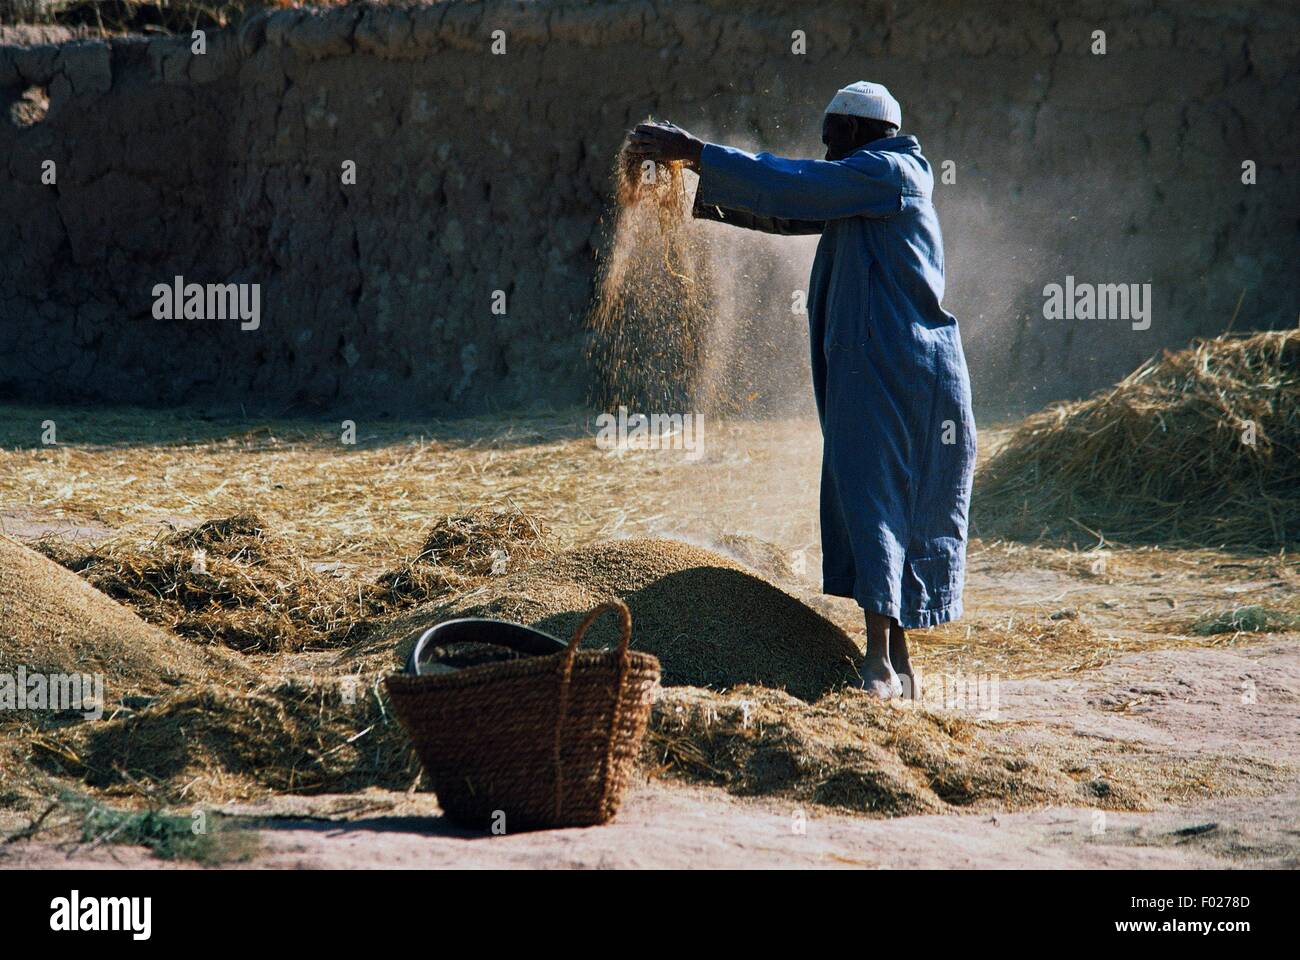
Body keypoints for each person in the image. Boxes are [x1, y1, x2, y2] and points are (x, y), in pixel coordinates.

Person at [626, 81, 976, 700]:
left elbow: (798, 186)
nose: (825, 151)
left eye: (833, 138)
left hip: (897, 372)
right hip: (889, 370)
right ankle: (899, 659)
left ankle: (878, 664)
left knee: (875, 500)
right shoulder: (862, 188)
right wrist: (691, 186)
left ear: (862, 132)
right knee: (878, 500)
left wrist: (698, 151)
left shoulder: (887, 173)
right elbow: (789, 209)